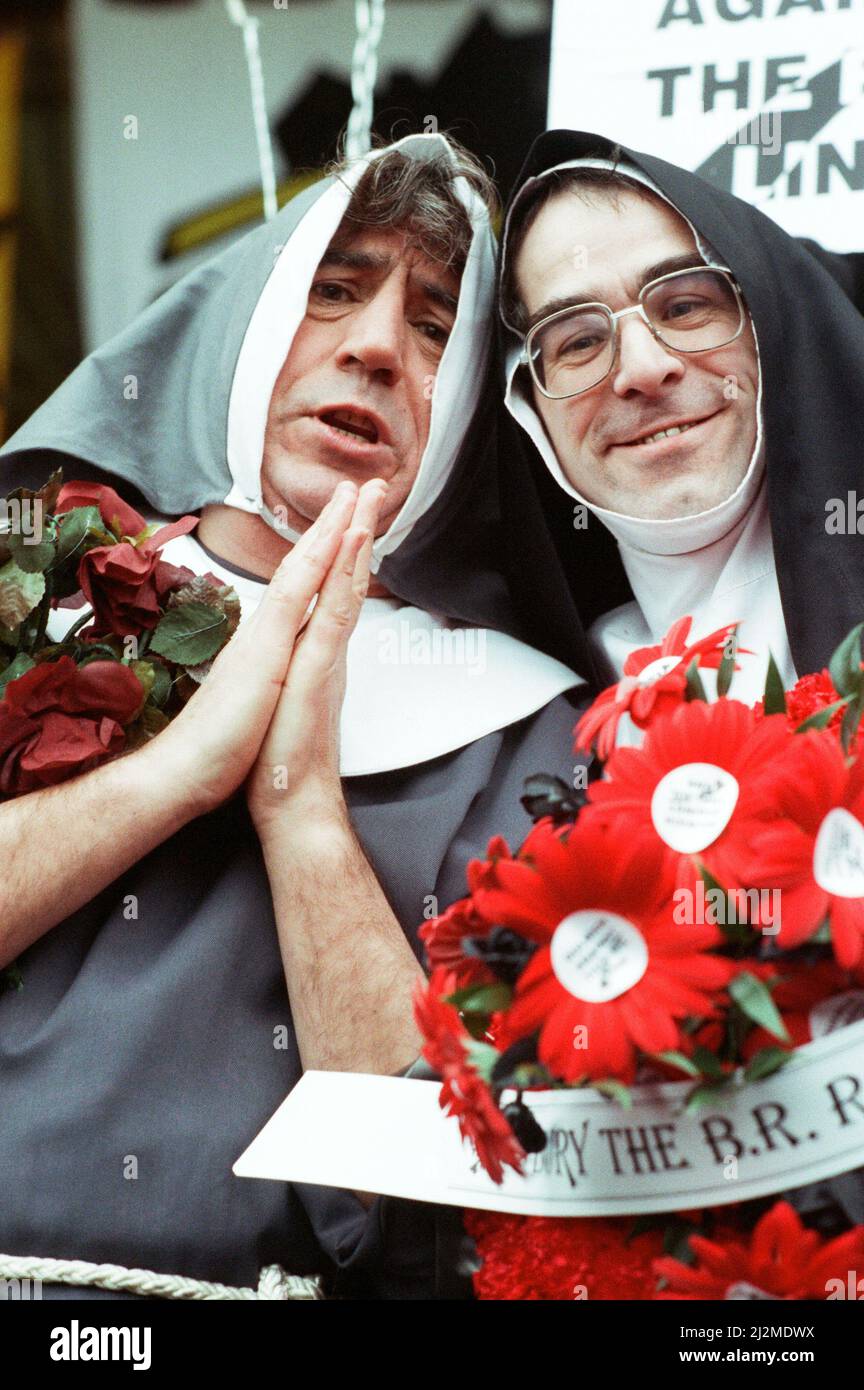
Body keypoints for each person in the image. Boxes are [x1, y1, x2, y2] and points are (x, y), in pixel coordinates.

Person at [0, 132, 584, 1300]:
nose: (374, 346)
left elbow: (461, 1203)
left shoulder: (532, 740)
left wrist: (300, 806)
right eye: (334, 289)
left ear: (471, 401)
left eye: (435, 325)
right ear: (244, 326)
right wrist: (171, 777)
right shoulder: (35, 601)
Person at [491, 130, 863, 1234]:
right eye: (575, 338)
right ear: (531, 410)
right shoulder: (529, 714)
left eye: (687, 302)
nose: (644, 368)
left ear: (772, 323)